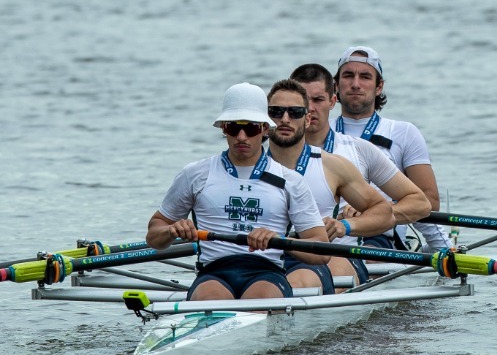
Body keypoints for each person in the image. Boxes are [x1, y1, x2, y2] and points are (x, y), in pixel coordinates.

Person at [147, 83, 331, 301]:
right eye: (234, 128)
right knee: (209, 299)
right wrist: (171, 230)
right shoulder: (195, 174)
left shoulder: (290, 181)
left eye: (251, 128)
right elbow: (153, 236)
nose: (242, 137)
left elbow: (322, 252)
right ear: (224, 128)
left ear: (264, 129)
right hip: (214, 273)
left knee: (260, 299)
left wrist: (279, 240)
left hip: (267, 273)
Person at [263, 78, 421, 292]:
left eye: (295, 112)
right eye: (276, 111)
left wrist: (344, 226)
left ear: (307, 118)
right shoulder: (247, 167)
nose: (284, 119)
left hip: (331, 256)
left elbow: (392, 211)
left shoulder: (337, 163)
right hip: (268, 258)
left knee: (298, 282)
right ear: (264, 120)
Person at [285, 63, 432, 250]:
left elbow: (421, 204)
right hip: (293, 250)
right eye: (303, 102)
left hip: (354, 252)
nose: (310, 108)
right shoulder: (274, 153)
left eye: (318, 100)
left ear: (332, 101)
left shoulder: (359, 149)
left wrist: (368, 215)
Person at [328, 47, 449, 250]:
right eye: (348, 76)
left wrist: (373, 214)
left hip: (380, 237)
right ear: (336, 86)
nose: (356, 84)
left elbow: (430, 202)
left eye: (365, 77)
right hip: (326, 232)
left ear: (379, 87)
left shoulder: (403, 132)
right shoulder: (320, 130)